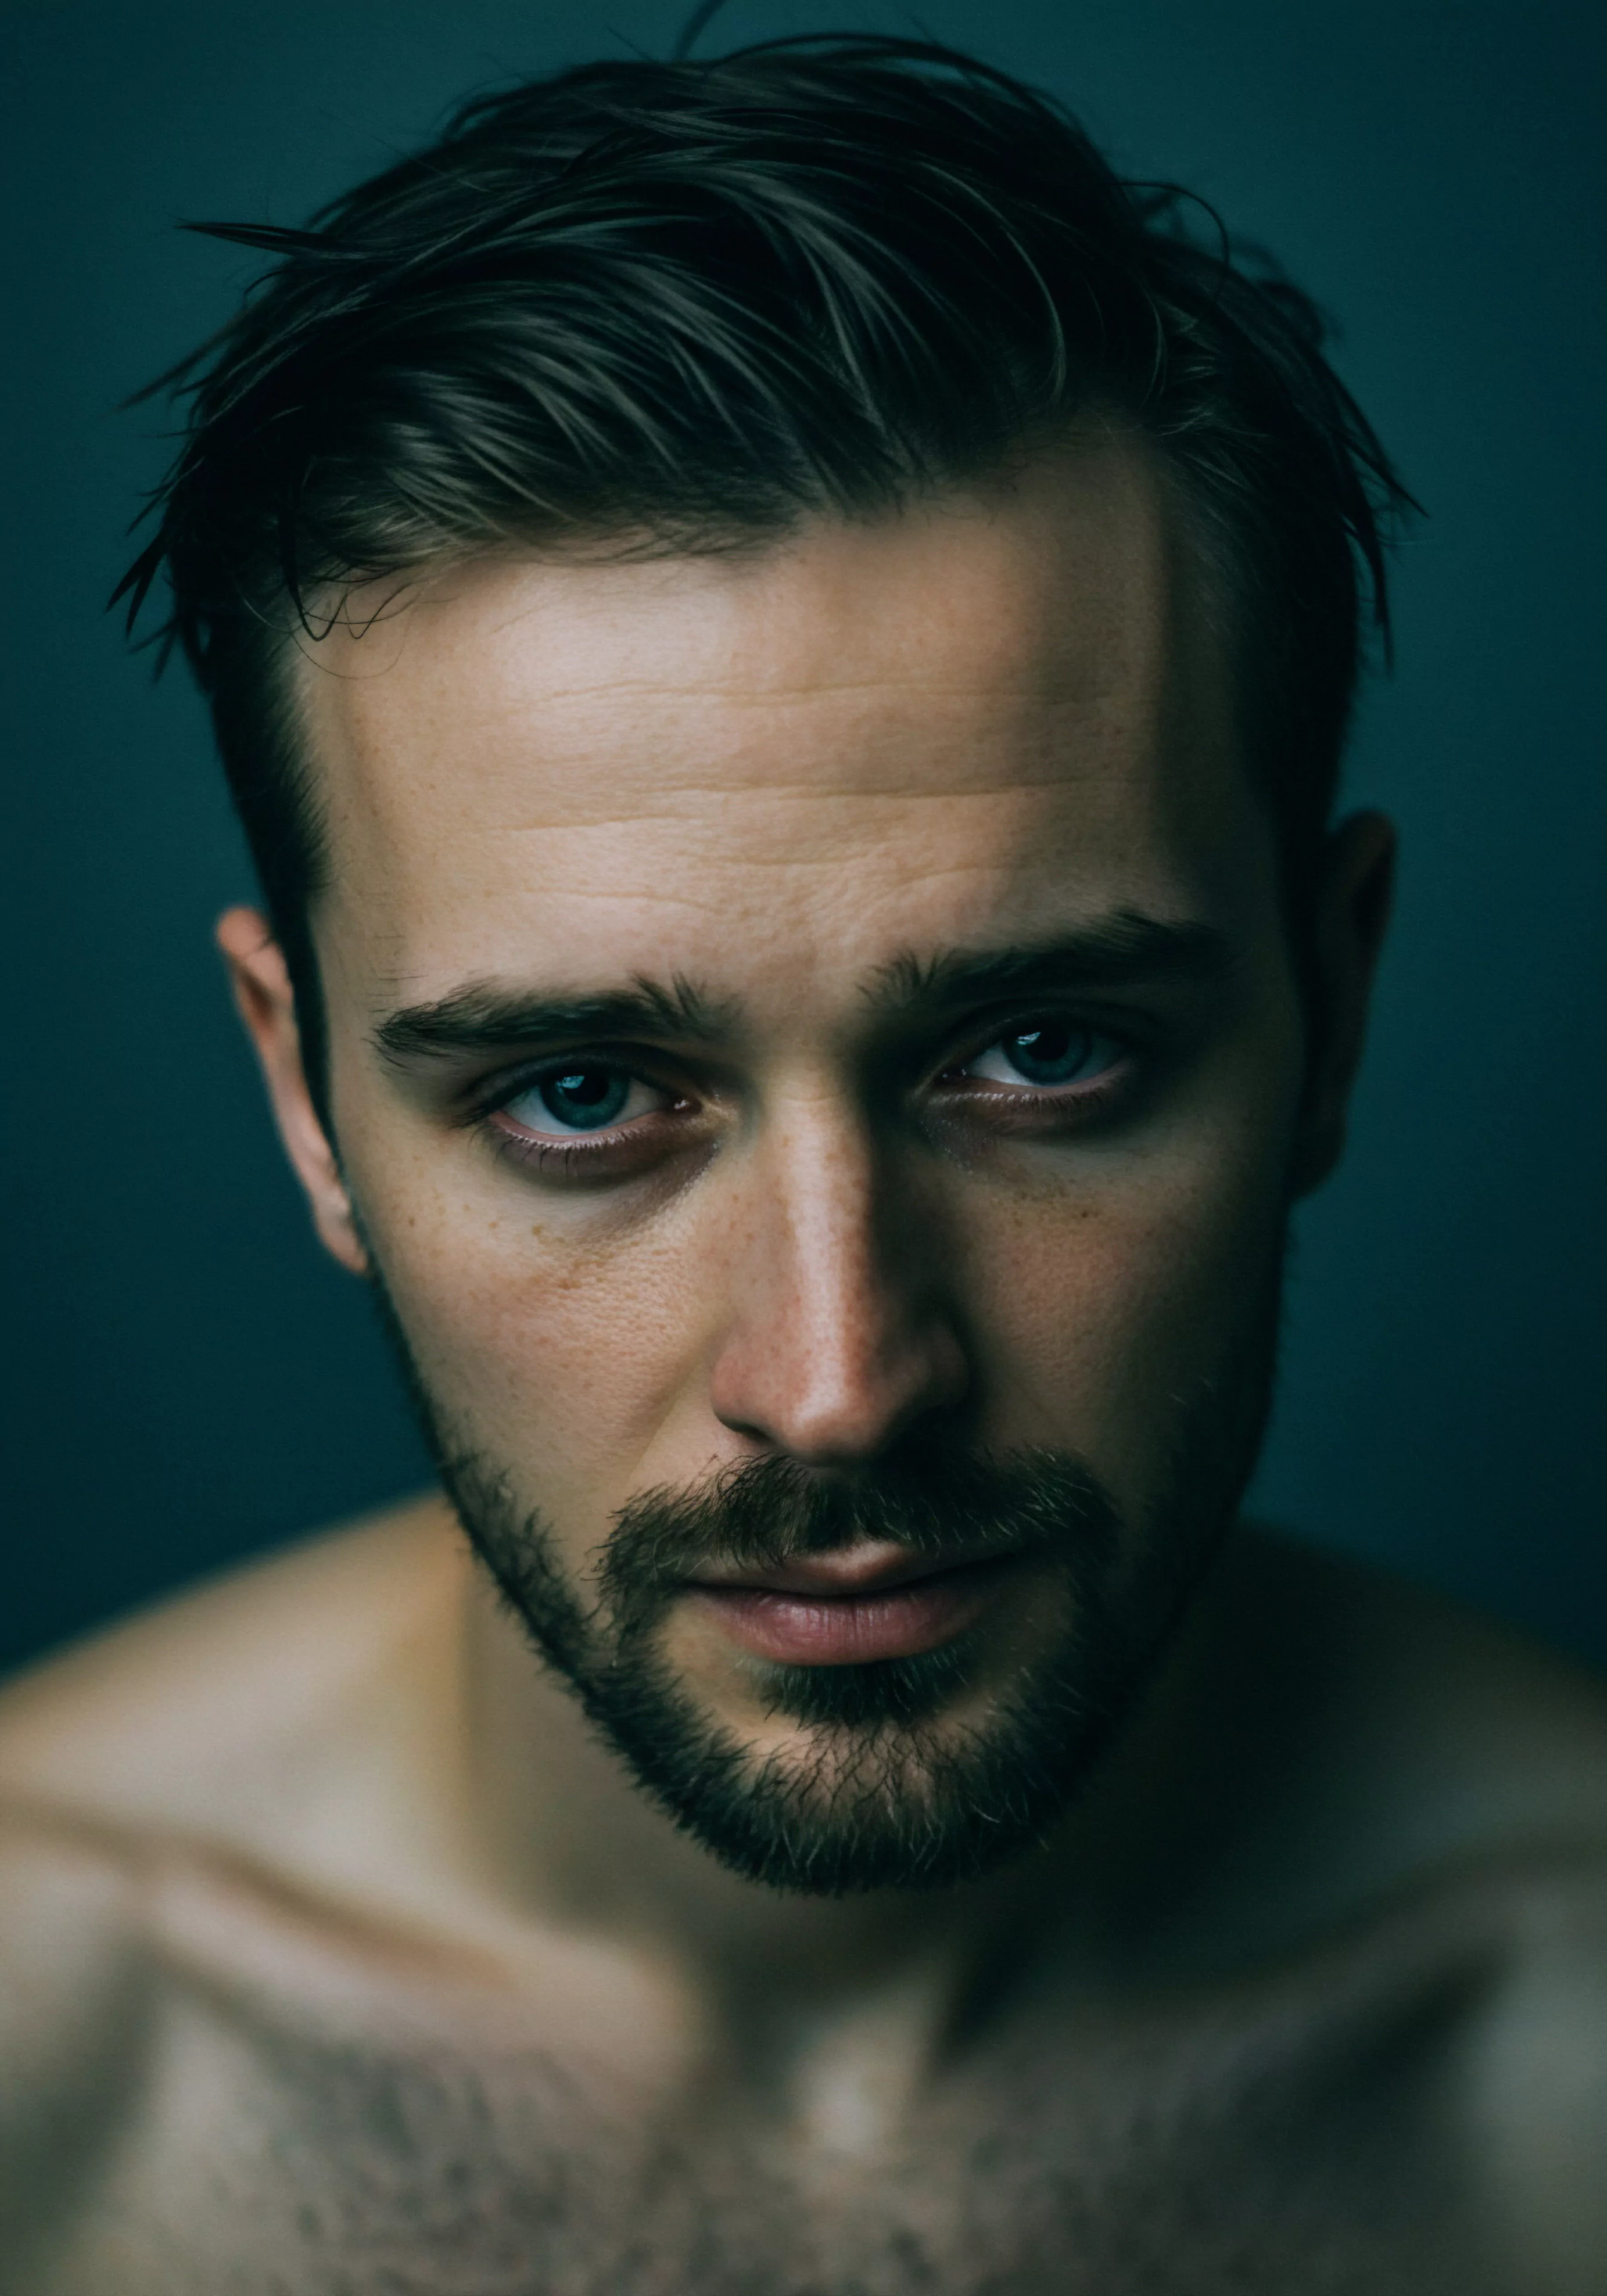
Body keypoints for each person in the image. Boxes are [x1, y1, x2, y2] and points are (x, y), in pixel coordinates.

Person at [1, 32, 1603, 2293]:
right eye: (579, 1096)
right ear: (306, 1102)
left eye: (1043, 1053)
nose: (843, 1383)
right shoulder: (41, 2055)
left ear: (1328, 1011)